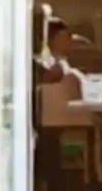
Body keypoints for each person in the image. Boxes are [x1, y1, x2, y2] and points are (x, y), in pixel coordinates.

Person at [33, 17, 74, 190]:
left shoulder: (59, 64)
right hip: (42, 127)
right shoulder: (42, 64)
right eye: (65, 38)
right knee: (44, 171)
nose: (69, 44)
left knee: (53, 170)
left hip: (56, 127)